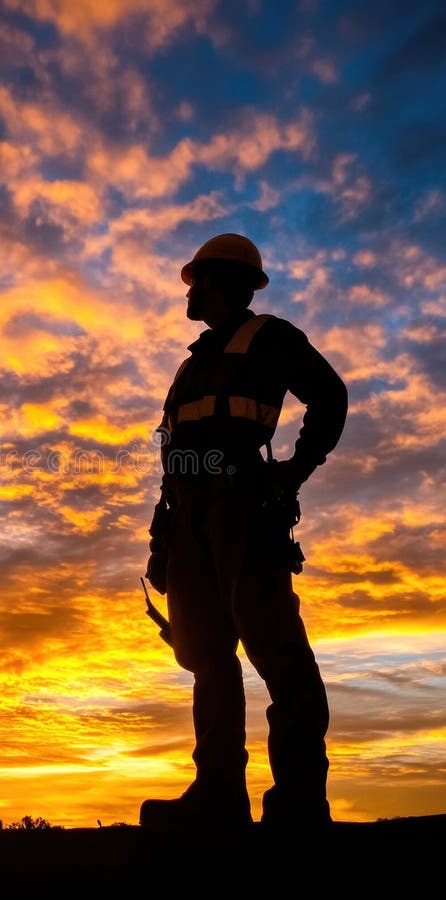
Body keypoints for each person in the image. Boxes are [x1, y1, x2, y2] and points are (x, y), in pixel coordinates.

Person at [141, 233, 348, 829]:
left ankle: (300, 802)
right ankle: (219, 795)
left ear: (226, 280)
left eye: (198, 278)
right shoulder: (189, 367)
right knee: (207, 656)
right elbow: (175, 460)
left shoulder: (270, 338)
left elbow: (329, 398)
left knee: (279, 653)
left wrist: (293, 473)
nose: (189, 288)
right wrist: (163, 542)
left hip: (245, 513)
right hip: (189, 524)